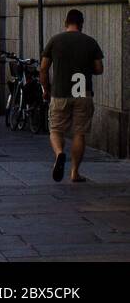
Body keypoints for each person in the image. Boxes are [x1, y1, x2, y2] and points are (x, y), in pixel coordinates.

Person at [41, 9, 104, 184]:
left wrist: (45, 88)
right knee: (79, 132)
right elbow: (99, 69)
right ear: (81, 23)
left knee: (55, 129)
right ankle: (75, 172)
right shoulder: (90, 42)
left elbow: (44, 68)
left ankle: (60, 153)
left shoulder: (55, 40)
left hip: (60, 91)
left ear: (65, 22)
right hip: (82, 90)